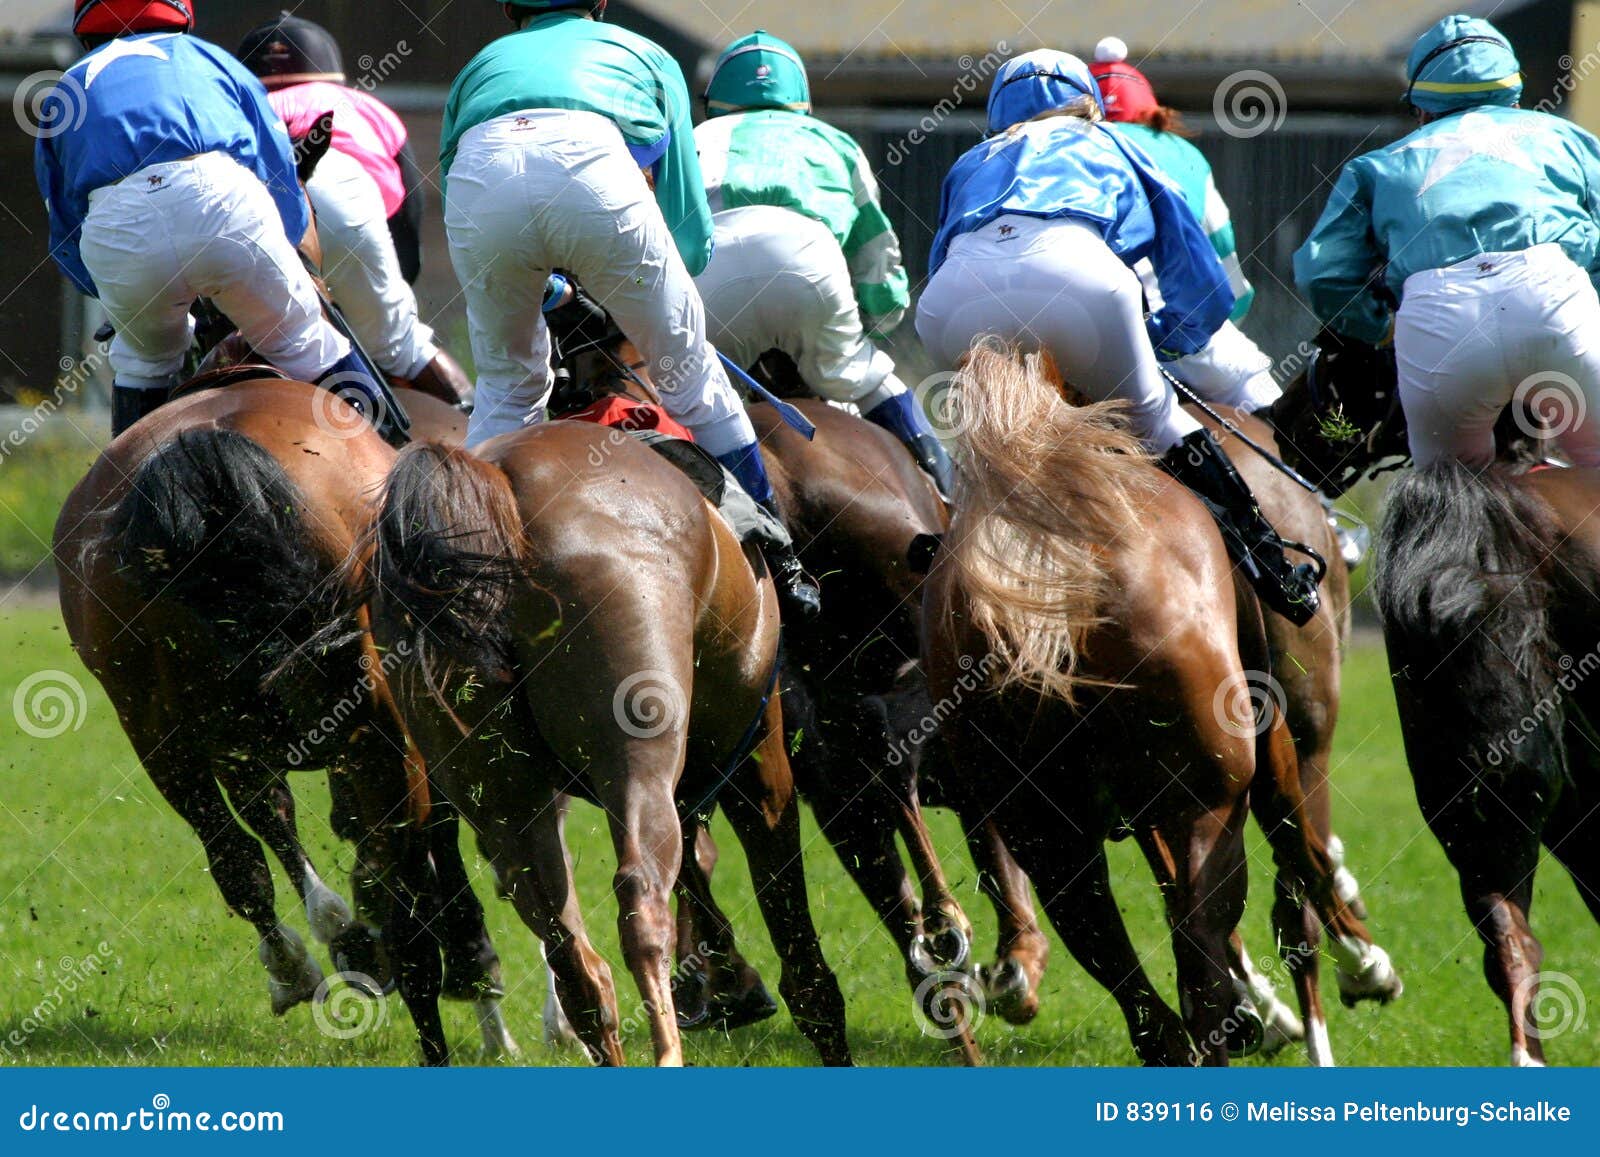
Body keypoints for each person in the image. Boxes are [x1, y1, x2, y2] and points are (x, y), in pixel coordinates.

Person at [440, 0, 818, 617]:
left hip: (482, 192)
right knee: (690, 379)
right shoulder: (645, 52)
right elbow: (689, 232)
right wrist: (656, 289)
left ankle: (468, 570)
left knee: (507, 390)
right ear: (600, 4)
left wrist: (536, 269)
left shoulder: (480, 63)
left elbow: (463, 185)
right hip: (593, 178)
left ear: (509, 9)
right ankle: (781, 559)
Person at [916, 49, 1318, 624]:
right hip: (1077, 283)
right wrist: (1168, 335)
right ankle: (1273, 568)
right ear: (1087, 103)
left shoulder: (971, 160)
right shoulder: (1113, 143)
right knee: (1158, 422)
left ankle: (949, 545)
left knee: (988, 440)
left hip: (952, 302)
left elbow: (942, 255)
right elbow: (1185, 254)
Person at [37, 0, 386, 436]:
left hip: (121, 234)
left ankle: (127, 494)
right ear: (181, 17)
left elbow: (64, 222)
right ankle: (391, 468)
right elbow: (277, 165)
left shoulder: (63, 90)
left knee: (142, 366)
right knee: (306, 342)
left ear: (85, 32)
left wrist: (106, 292)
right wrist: (287, 246)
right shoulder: (212, 58)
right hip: (220, 203)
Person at [1296, 14, 1600, 469]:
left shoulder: (1374, 166)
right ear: (1513, 92)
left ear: (1420, 108)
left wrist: (1380, 328)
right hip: (1554, 298)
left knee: (1445, 501)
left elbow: (1323, 274)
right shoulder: (1568, 138)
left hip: (1440, 319)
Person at [693, 31, 954, 497]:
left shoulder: (696, 140)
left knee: (693, 396)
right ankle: (951, 498)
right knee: (868, 379)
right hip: (809, 264)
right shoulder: (835, 141)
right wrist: (872, 326)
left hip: (715, 274)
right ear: (801, 98)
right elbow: (877, 255)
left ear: (715, 100)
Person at [237, 14, 472, 407]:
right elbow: (407, 217)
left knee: (217, 346)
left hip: (255, 200)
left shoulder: (236, 105)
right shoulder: (366, 106)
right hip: (341, 188)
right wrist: (383, 294)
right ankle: (480, 440)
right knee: (402, 345)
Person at [1089, 36, 1279, 415]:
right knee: (1279, 424)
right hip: (1176, 329)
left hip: (1072, 337)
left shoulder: (1059, 149)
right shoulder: (1180, 151)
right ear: (1151, 111)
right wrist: (1225, 319)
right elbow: (1223, 259)